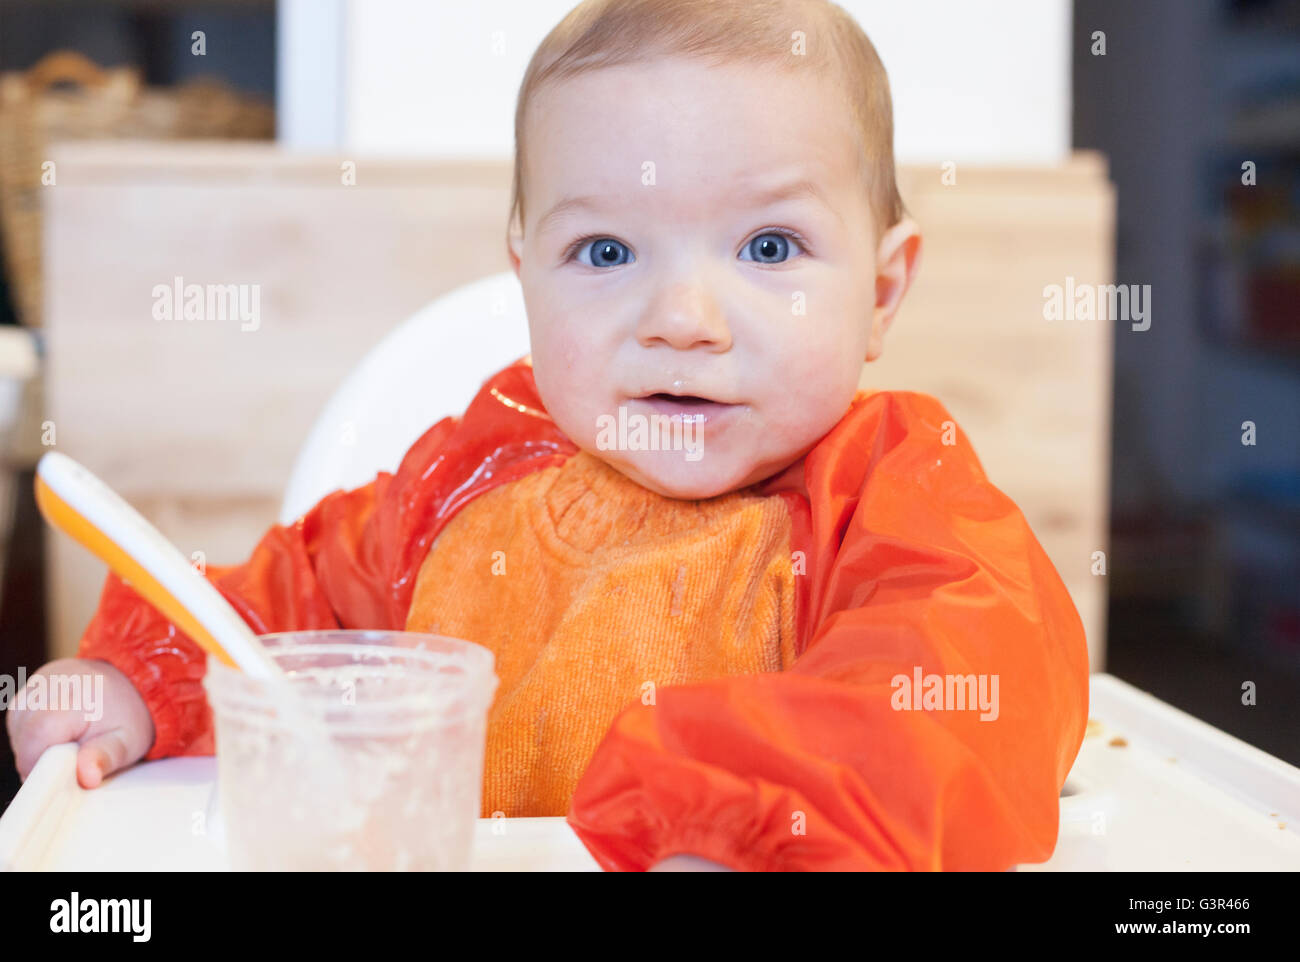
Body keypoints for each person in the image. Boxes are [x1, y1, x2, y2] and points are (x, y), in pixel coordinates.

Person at [6, 0, 1089, 871]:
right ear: (527, 277)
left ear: (882, 291)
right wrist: (143, 679)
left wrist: (752, 830)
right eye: (607, 252)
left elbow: (962, 680)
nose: (683, 318)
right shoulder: (465, 483)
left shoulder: (891, 493)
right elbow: (283, 617)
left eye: (768, 245)